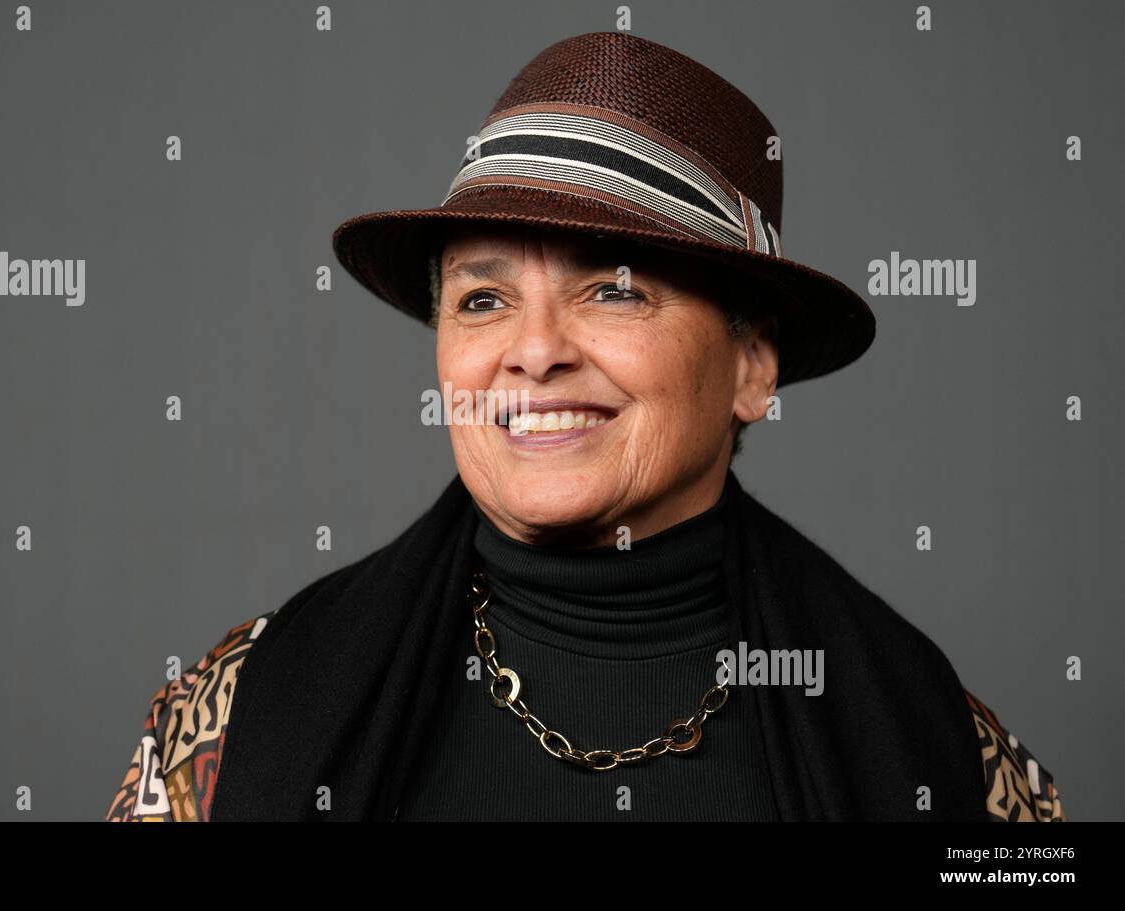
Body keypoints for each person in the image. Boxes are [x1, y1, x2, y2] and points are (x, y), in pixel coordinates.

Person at [104, 31, 1065, 822]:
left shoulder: (942, 752)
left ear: (753, 365)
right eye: (482, 299)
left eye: (614, 289)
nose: (532, 351)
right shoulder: (240, 711)